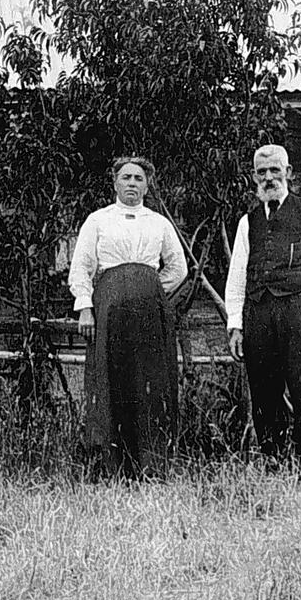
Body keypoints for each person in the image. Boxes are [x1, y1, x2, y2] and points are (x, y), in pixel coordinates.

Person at [69, 156, 188, 478]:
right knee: (111, 380)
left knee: (150, 382)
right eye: (126, 178)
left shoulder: (159, 223)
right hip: (109, 307)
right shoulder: (98, 220)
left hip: (150, 310)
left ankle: (152, 465)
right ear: (115, 183)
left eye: (138, 178)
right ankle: (111, 465)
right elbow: (81, 266)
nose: (132, 183)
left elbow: (178, 268)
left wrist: (148, 288)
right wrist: (86, 306)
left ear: (147, 185)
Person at [225, 144, 301, 477]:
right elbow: (236, 278)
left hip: (300, 310)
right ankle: (273, 467)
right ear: (254, 177)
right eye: (262, 172)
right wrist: (236, 325)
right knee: (263, 393)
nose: (269, 177)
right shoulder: (248, 223)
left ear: (288, 173)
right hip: (259, 313)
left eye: (275, 170)